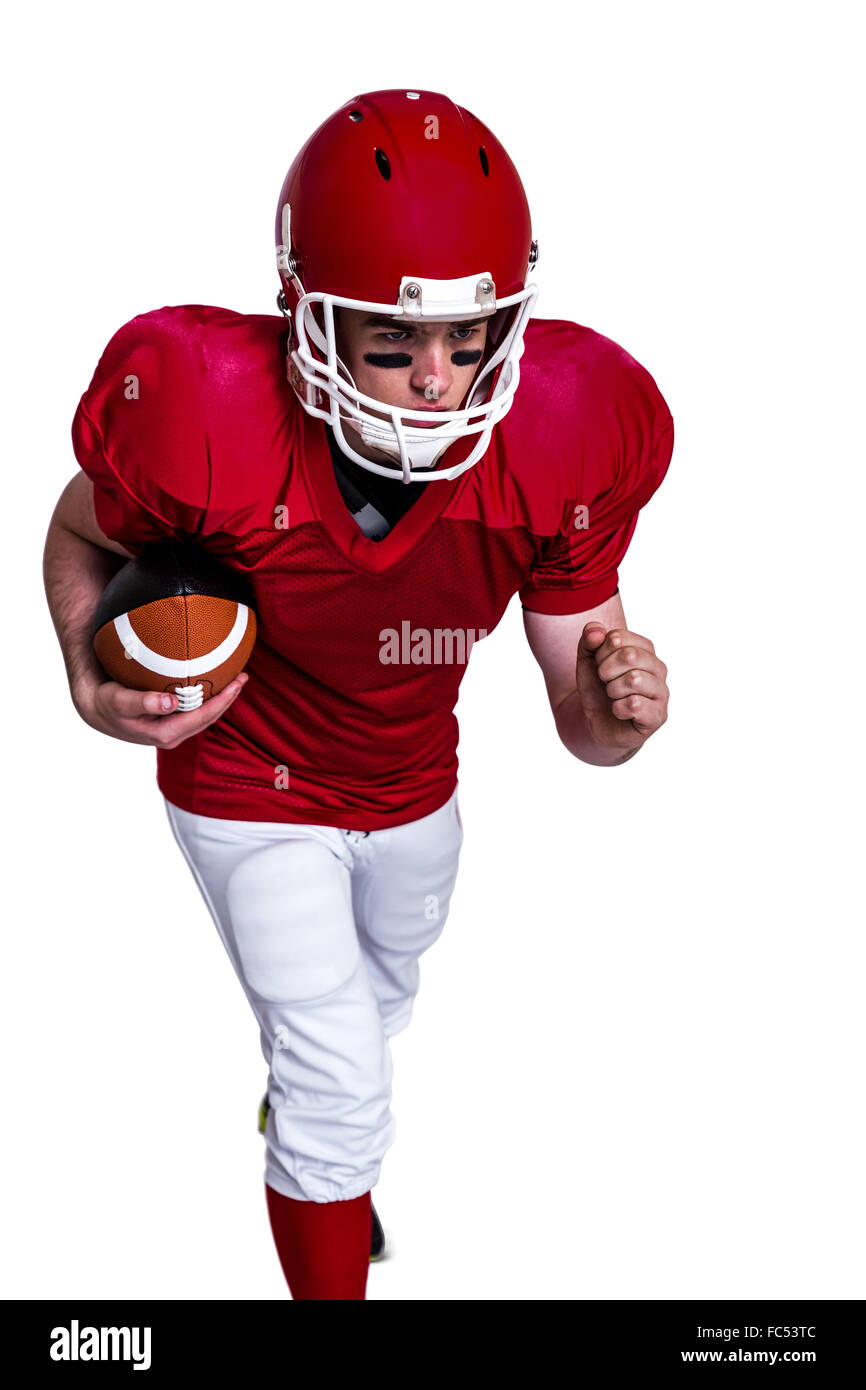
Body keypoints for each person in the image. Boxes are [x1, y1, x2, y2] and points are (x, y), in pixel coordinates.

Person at [43, 88, 674, 1300]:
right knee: (342, 1074)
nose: (436, 379)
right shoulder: (199, 410)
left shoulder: (566, 425)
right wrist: (84, 664)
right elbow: (78, 524)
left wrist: (615, 709)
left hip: (411, 780)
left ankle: (313, 1117)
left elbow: (579, 721)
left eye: (466, 335)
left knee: (379, 998)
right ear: (306, 316)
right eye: (392, 340)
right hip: (247, 774)